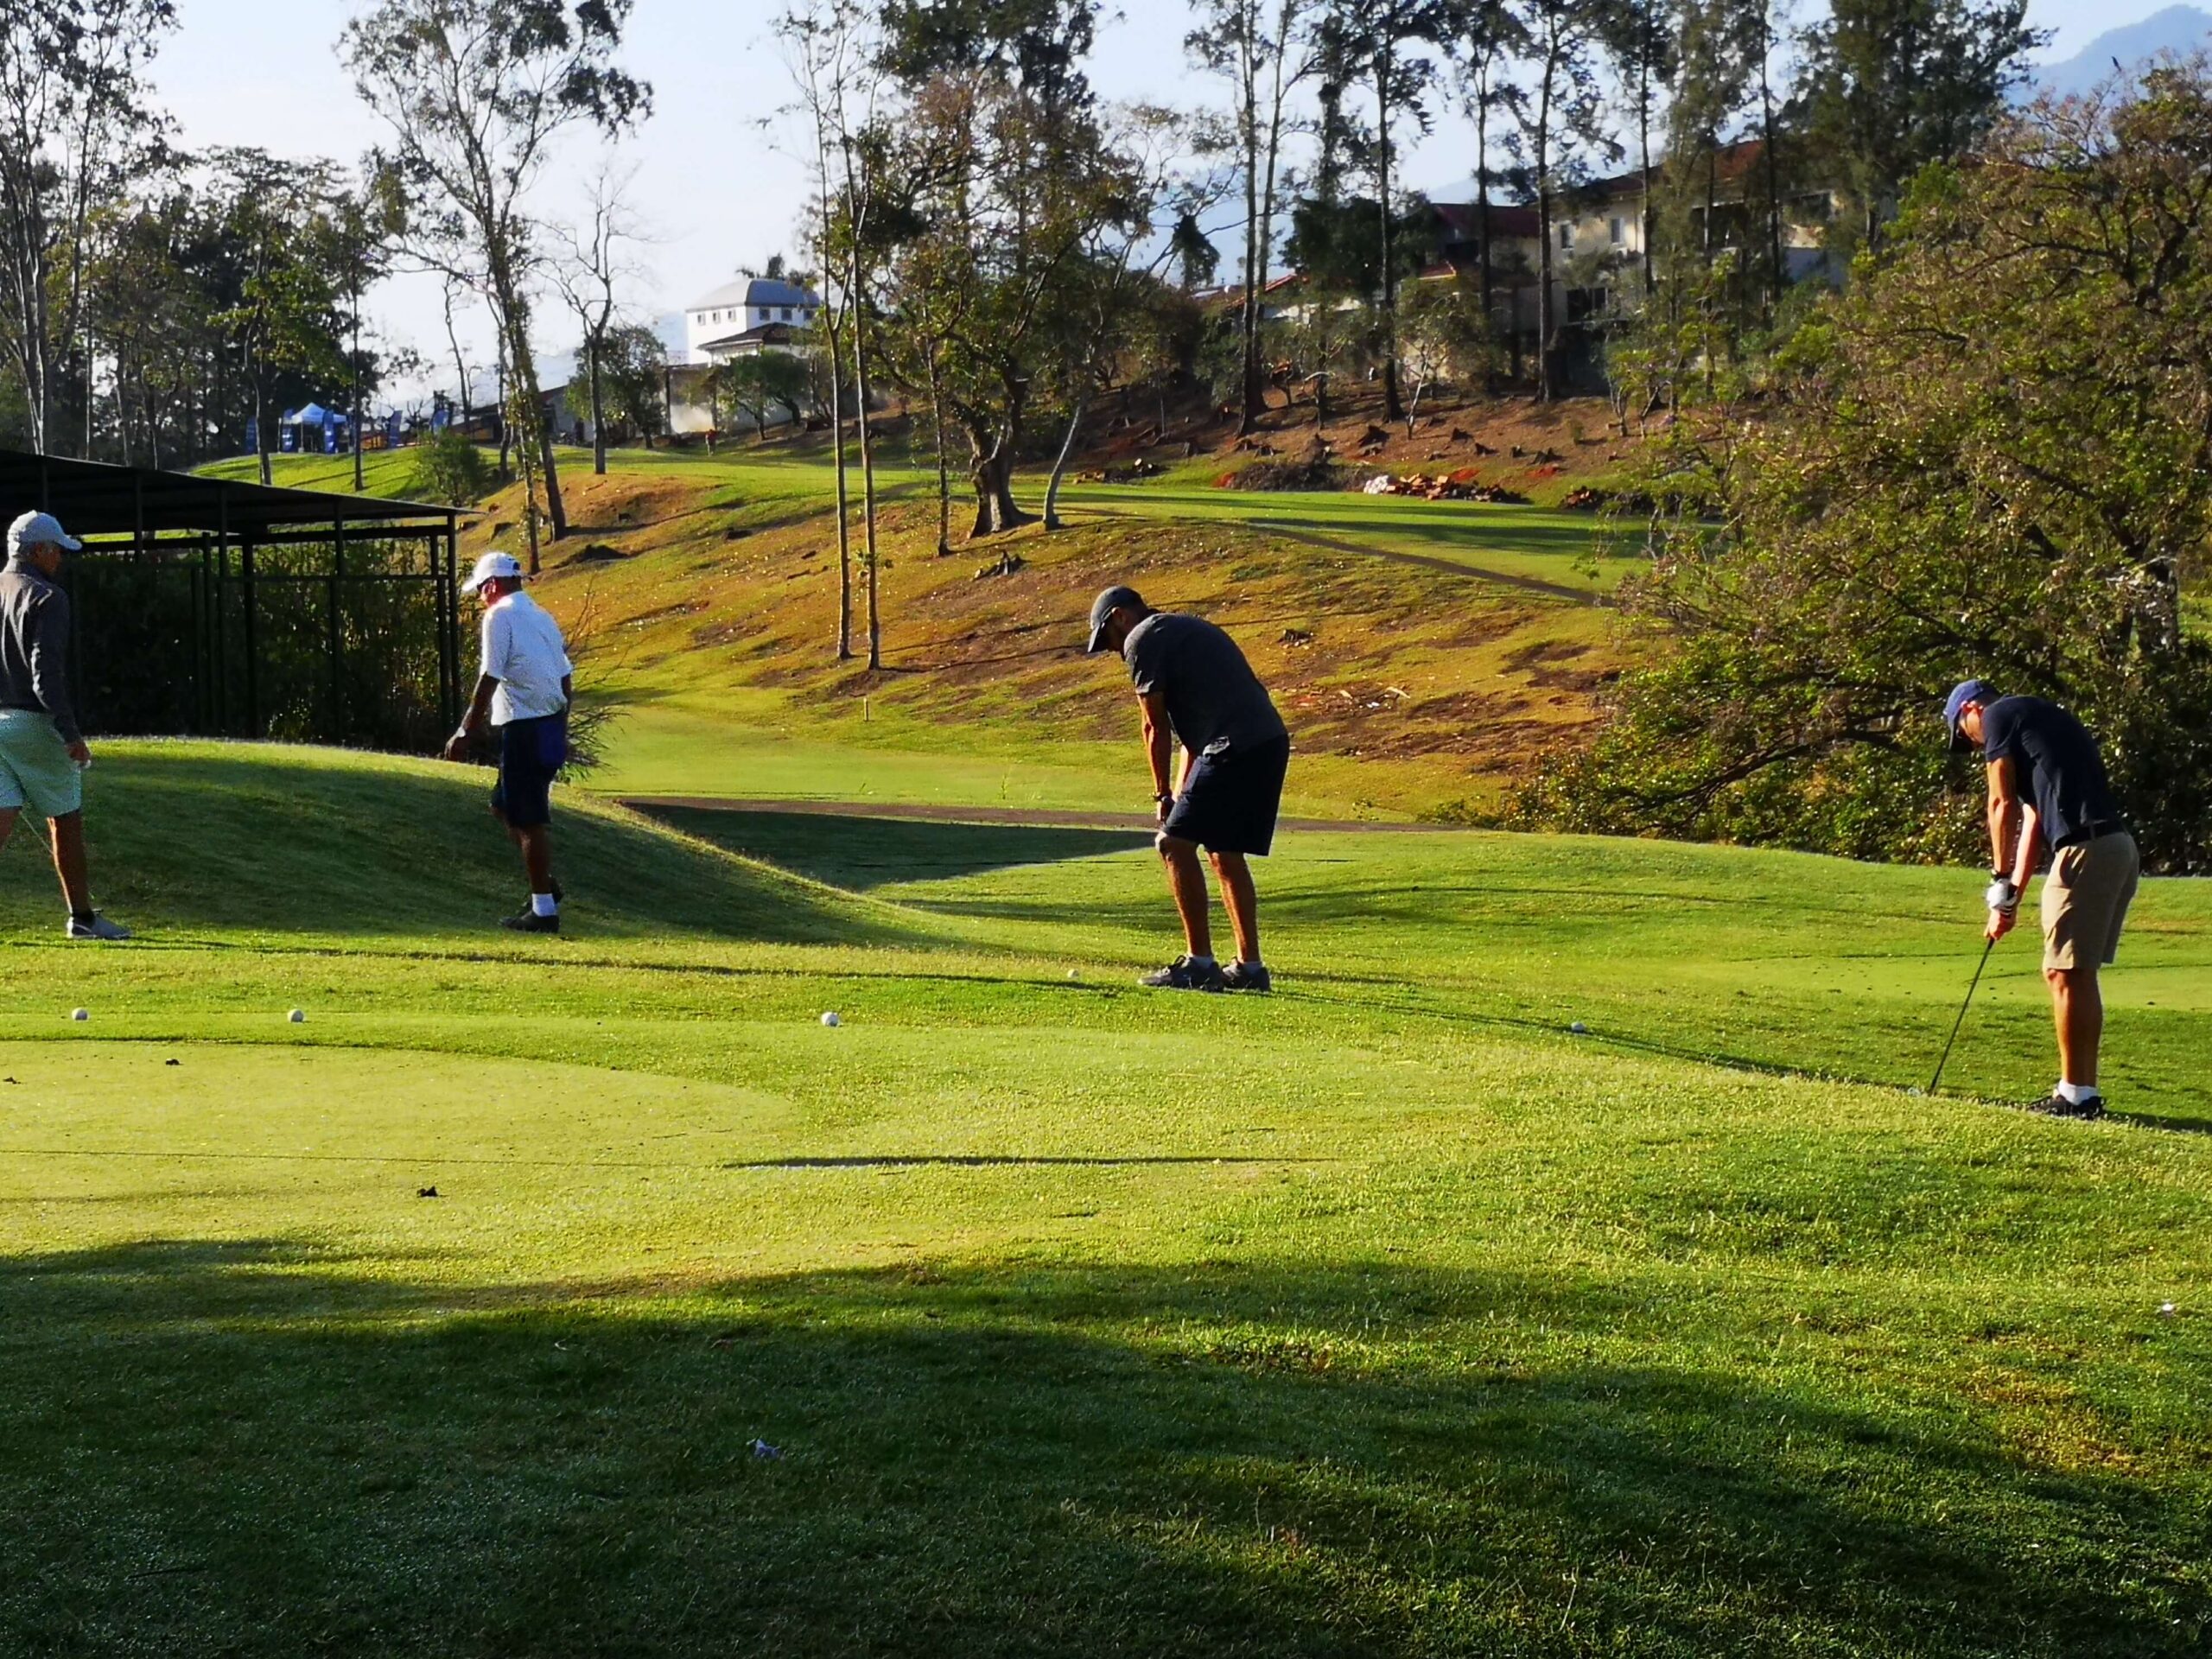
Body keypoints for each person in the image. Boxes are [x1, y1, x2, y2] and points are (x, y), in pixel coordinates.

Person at [1944, 680, 2139, 1119]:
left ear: (1972, 708)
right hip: (2114, 847)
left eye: (1964, 733)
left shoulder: (1997, 716)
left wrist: (1997, 877)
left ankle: (2076, 1096)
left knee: (2063, 972)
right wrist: (2010, 896)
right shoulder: (2037, 718)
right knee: (2073, 973)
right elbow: (2033, 819)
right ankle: (2080, 1092)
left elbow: (2001, 804)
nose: (1974, 745)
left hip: (2084, 848)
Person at [1085, 585, 1290, 992]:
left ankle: (1199, 963)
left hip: (1233, 746)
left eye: (1109, 640)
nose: (1115, 651)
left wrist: (1161, 794)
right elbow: (1192, 740)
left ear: (1120, 617)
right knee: (1223, 852)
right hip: (1266, 741)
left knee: (1173, 845)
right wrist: (1175, 798)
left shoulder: (1143, 638)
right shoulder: (1180, 630)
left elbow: (1154, 727)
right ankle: (1250, 970)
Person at [0, 512, 129, 940]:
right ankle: (83, 919)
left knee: (2, 816)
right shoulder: (48, 598)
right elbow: (45, 674)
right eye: (55, 550)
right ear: (37, 551)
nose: (59, 558)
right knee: (65, 819)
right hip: (33, 721)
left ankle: (84, 919)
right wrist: (70, 734)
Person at [444, 551, 573, 934]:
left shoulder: (499, 615)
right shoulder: (542, 616)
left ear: (492, 585)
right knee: (503, 806)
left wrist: (466, 729)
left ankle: (544, 911)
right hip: (549, 724)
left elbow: (489, 677)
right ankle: (544, 884)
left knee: (528, 820)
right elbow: (566, 679)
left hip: (526, 727)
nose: (481, 599)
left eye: (481, 591)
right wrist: (561, 725)